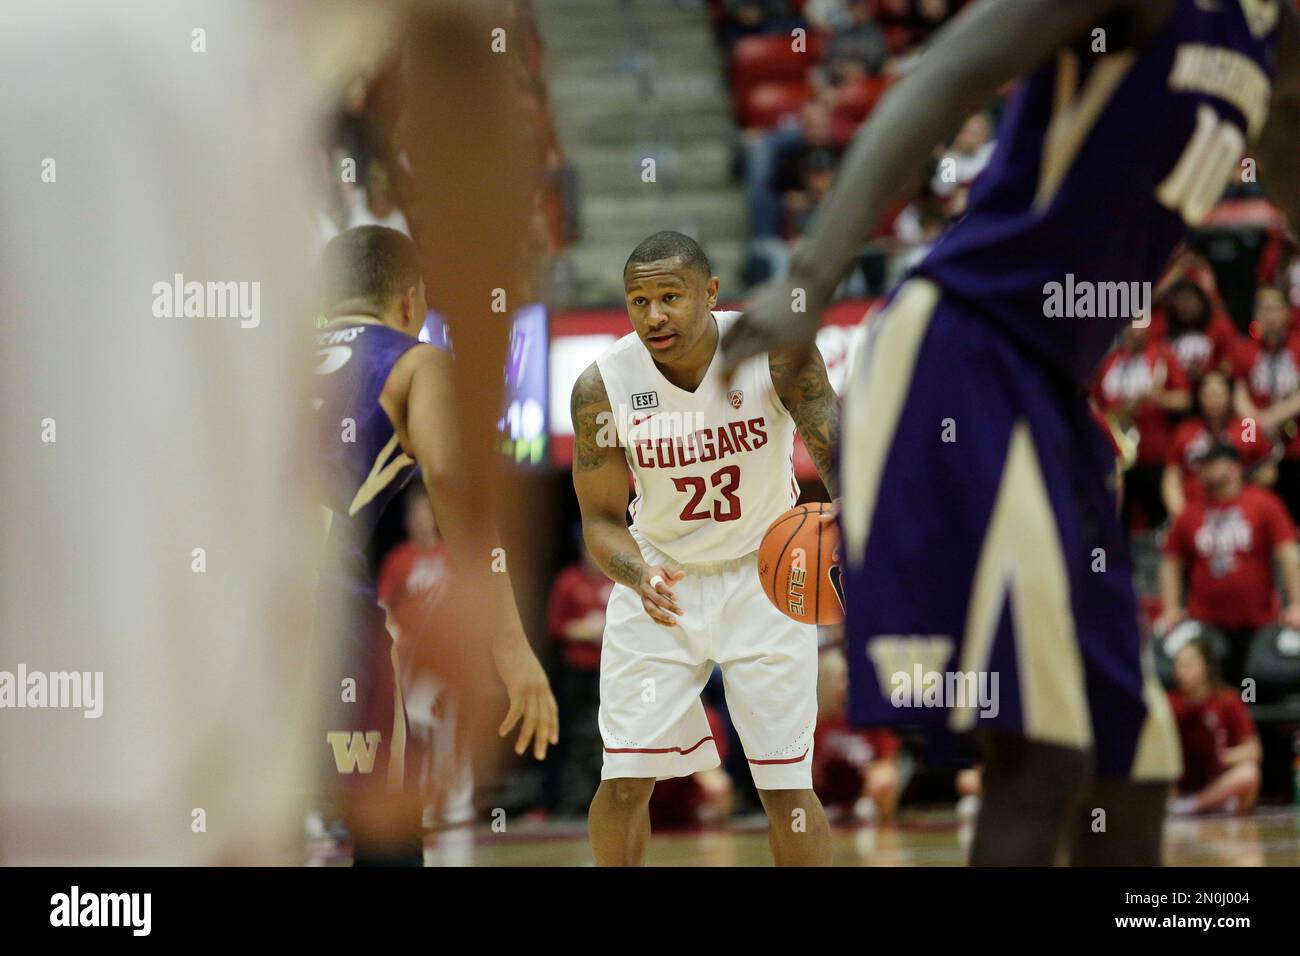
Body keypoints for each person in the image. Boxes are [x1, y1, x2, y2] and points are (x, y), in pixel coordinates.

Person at [723, 0, 1300, 865]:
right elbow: (950, 71)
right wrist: (809, 278)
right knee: (1041, 758)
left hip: (1058, 393)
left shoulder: (1279, 34)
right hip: (964, 351)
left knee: (1133, 766)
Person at [571, 231, 840, 866]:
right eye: (638, 301)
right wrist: (636, 573)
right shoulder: (602, 388)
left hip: (769, 580)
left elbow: (842, 459)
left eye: (670, 297)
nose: (653, 316)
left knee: (787, 789)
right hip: (661, 580)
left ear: (710, 293)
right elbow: (602, 519)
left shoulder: (775, 353)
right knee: (623, 779)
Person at [313, 225, 557, 864]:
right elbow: (452, 480)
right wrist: (509, 645)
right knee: (385, 828)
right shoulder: (415, 359)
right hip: (320, 605)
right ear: (411, 301)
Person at [1157, 443, 1300, 684]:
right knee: (1190, 669)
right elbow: (1171, 561)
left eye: (1213, 463)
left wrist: (1296, 604)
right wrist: (1170, 607)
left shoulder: (1264, 504)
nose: (1205, 471)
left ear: (1235, 467)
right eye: (1203, 465)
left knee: (1263, 674)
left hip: (1260, 622)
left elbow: (1287, 555)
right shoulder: (1190, 511)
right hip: (1205, 621)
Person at [1162, 369, 1274, 518]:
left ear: (1230, 396)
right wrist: (1181, 513)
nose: (1213, 400)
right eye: (1207, 394)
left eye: (1219, 394)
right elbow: (1171, 477)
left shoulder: (1247, 428)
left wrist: (1247, 489)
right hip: (1195, 510)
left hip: (1240, 511)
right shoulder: (1185, 430)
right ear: (1199, 397)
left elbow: (1269, 471)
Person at [1167, 639, 1261, 815]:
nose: (1181, 671)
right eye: (1178, 665)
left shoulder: (1228, 699)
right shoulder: (1169, 702)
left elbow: (1253, 750)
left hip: (1217, 784)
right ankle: (1179, 805)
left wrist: (1221, 757)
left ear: (1205, 666)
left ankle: (1193, 805)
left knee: (1249, 773)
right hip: (1180, 782)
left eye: (1188, 664)